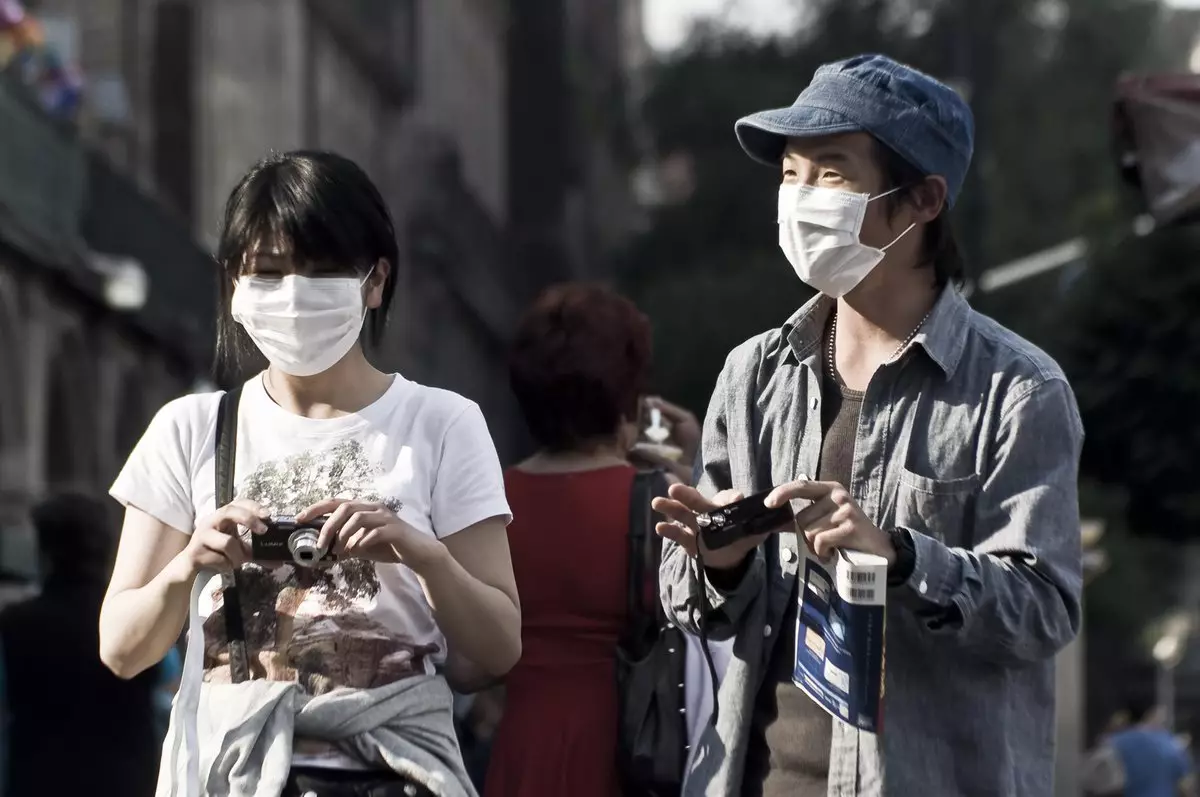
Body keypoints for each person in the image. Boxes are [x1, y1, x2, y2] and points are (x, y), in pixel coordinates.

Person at [652, 54, 1084, 796]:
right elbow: (691, 604)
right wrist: (717, 557)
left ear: (921, 200)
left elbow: (1043, 608)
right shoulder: (755, 374)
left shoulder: (1017, 389)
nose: (799, 198)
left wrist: (902, 557)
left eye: (830, 173)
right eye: (789, 174)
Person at [99, 151, 520, 797]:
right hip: (233, 773)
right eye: (268, 271)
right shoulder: (189, 428)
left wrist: (420, 554)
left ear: (375, 280)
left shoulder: (443, 423)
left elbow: (494, 652)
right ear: (234, 283)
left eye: (322, 271)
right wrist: (189, 565)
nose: (293, 293)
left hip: (395, 774)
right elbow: (122, 649)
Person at [483, 283, 696, 797]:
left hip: (521, 748)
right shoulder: (663, 498)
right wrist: (692, 460)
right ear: (626, 393)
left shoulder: (490, 502)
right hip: (630, 748)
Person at [0, 493, 161, 797]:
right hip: (126, 783)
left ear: (45, 554)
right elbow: (166, 695)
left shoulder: (13, 625)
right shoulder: (138, 620)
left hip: (38, 783)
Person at [1095, 696, 1197, 797]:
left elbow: (1097, 776)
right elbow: (1185, 784)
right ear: (1152, 713)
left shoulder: (1116, 741)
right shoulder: (1170, 744)